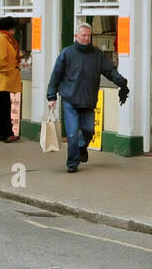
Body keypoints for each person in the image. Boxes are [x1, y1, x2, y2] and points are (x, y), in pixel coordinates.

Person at [47, 23, 130, 173]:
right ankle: (72, 163)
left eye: (88, 36)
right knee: (72, 133)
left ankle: (81, 147)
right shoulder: (67, 53)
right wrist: (51, 96)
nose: (86, 38)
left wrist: (121, 82)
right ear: (76, 36)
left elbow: (109, 71)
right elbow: (56, 75)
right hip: (70, 99)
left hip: (88, 100)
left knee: (89, 130)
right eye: (83, 35)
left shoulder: (97, 55)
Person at [0, 17, 22, 142]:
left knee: (0, 107)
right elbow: (0, 60)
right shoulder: (2, 40)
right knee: (4, 107)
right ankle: (6, 134)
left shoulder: (4, 38)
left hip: (0, 79)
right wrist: (10, 70)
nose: (15, 30)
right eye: (14, 28)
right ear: (10, 28)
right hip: (1, 79)